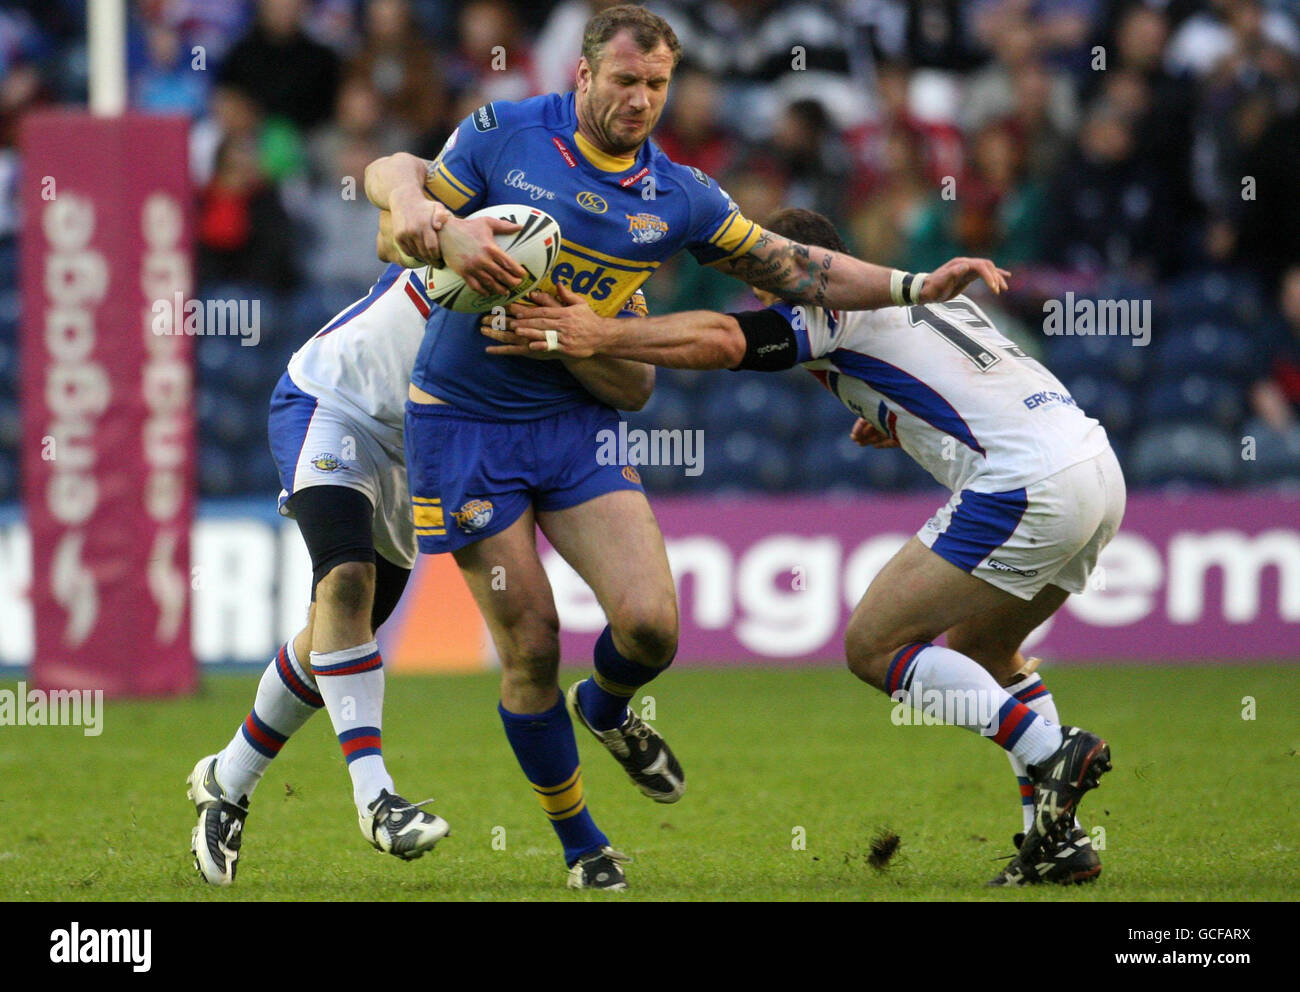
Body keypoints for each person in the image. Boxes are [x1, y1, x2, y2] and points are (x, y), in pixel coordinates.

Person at [364, 5, 1009, 889]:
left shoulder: (680, 196)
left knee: (652, 626)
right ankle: (583, 843)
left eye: (657, 85)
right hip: (463, 421)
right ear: (583, 76)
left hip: (577, 423)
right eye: (625, 81)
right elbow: (390, 207)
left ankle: (610, 706)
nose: (640, 101)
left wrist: (911, 284)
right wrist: (431, 225)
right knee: (533, 645)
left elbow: (795, 267)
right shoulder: (505, 134)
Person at [483, 207, 1121, 887]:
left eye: (762, 276)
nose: (759, 291)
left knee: (875, 646)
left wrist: (601, 332)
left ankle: (1052, 750)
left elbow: (725, 342)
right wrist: (893, 418)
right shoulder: (928, 306)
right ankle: (1056, 842)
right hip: (1096, 469)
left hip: (1026, 484)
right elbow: (962, 380)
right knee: (984, 653)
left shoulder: (825, 308)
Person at [187, 219, 650, 885]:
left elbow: (630, 384)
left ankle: (226, 781)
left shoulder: (572, 294)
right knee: (343, 580)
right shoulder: (464, 213)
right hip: (333, 402)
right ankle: (376, 799)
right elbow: (390, 199)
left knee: (342, 633)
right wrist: (427, 217)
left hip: (419, 448)